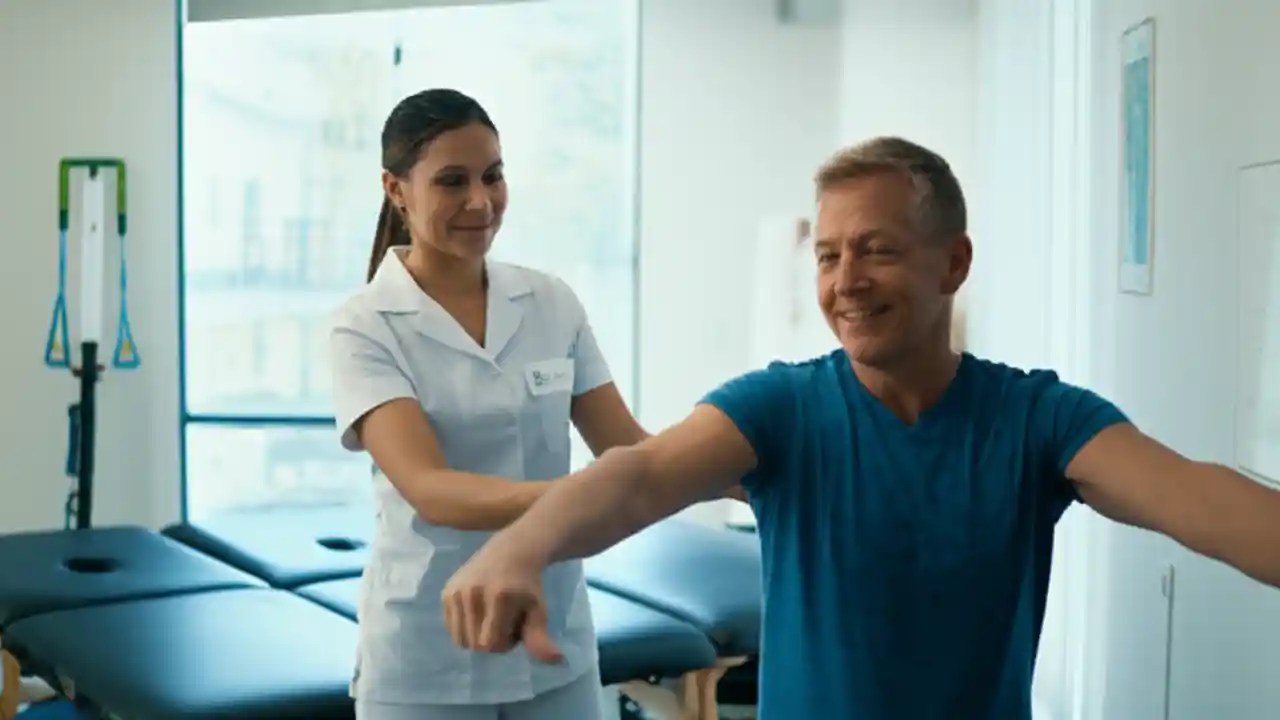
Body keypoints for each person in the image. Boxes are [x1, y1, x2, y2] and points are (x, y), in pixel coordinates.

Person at [438, 136, 1280, 719]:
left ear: (953, 262)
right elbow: (643, 474)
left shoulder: (1036, 419)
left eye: (874, 250)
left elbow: (1194, 495)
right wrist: (524, 544)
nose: (846, 282)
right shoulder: (782, 409)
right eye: (829, 254)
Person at [327, 88, 650, 720]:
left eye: (493, 176)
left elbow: (628, 447)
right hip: (425, 660)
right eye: (452, 182)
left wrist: (742, 464)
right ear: (396, 190)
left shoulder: (551, 302)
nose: (481, 201)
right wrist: (589, 493)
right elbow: (433, 490)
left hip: (555, 639)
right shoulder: (365, 326)